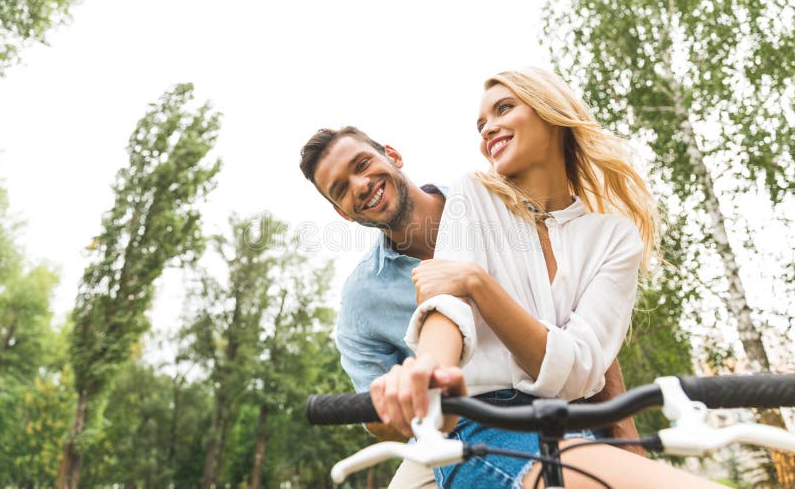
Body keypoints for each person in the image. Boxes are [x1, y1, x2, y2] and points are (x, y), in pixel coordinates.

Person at [367, 67, 721, 488]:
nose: (488, 129)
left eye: (503, 108)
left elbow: (579, 371)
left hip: (575, 426)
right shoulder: (473, 193)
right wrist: (427, 369)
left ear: (550, 112)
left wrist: (478, 282)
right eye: (481, 124)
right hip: (484, 429)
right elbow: (447, 308)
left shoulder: (614, 237)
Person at [299, 125, 640, 488]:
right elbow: (374, 414)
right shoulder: (362, 299)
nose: (360, 185)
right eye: (341, 189)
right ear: (343, 213)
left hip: (552, 395)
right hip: (457, 422)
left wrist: (625, 435)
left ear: (393, 155)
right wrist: (400, 403)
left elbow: (578, 319)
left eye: (362, 164)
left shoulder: (492, 203)